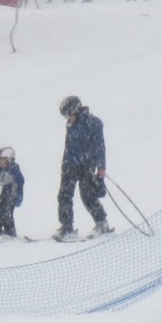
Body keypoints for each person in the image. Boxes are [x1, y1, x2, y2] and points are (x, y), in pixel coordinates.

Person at [54, 95, 111, 242]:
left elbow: (100, 146)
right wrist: (64, 166)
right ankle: (66, 227)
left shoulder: (93, 123)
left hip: (86, 165)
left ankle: (101, 222)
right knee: (64, 196)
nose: (67, 118)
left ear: (76, 110)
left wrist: (101, 167)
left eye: (68, 114)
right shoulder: (70, 125)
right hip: (70, 166)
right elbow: (68, 148)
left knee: (87, 196)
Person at [0, 146, 25, 240]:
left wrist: (19, 195)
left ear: (10, 160)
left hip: (9, 197)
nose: (1, 163)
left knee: (6, 214)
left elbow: (20, 183)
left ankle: (10, 233)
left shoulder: (14, 172)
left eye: (4, 161)